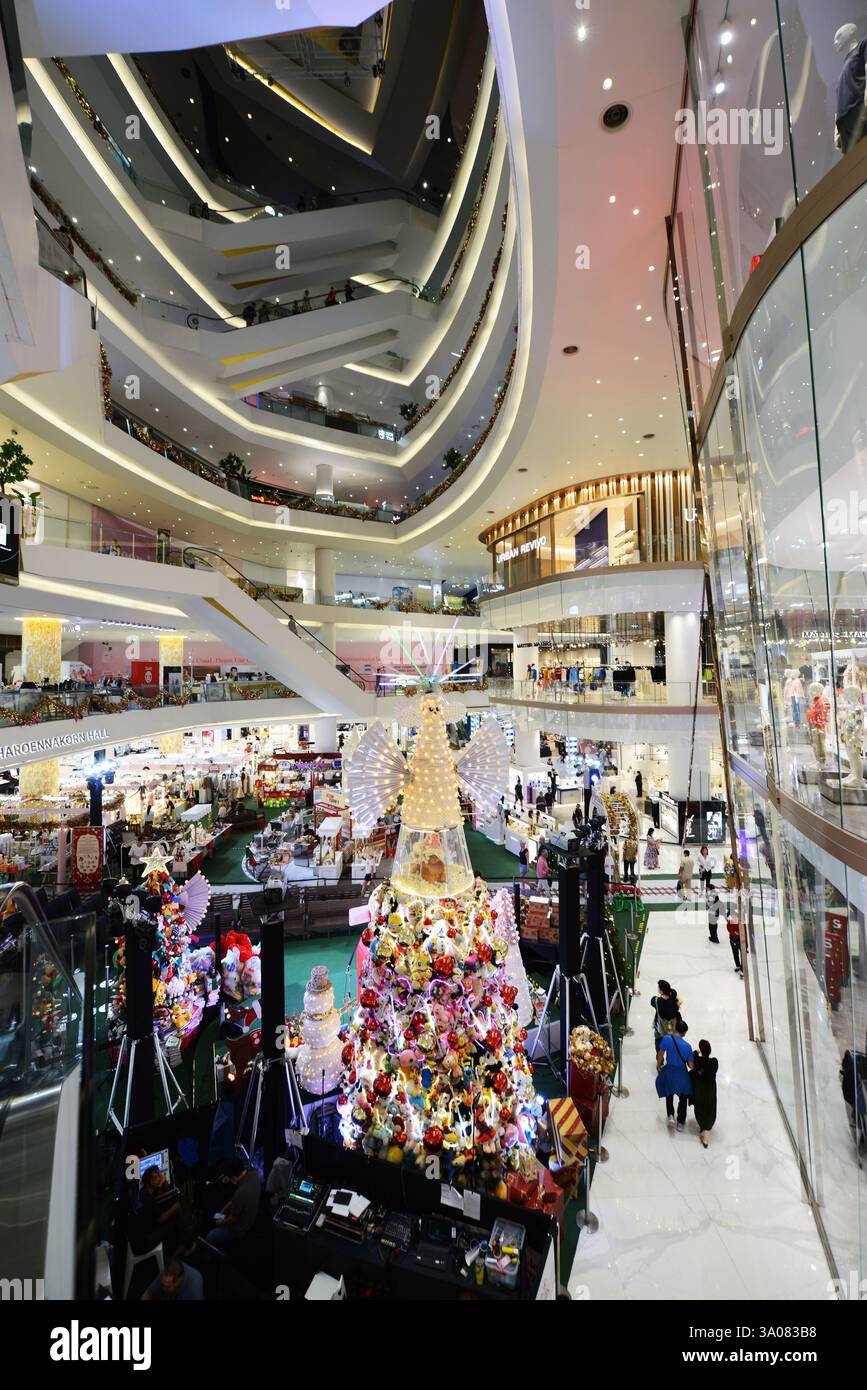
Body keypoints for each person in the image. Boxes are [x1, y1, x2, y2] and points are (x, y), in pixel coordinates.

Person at [205, 1156, 262, 1251]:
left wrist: (219, 1222)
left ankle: (219, 1252)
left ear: (234, 1177)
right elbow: (234, 1201)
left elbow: (232, 1219)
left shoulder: (241, 1193)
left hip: (240, 1228)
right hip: (249, 1211)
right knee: (216, 1215)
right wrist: (222, 1212)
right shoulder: (254, 1172)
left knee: (210, 1236)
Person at [656, 1019, 693, 1130]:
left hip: (669, 1071)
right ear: (684, 1032)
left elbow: (660, 1053)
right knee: (683, 1097)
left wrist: (658, 1064)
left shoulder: (667, 1039)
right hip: (681, 1073)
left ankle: (670, 1115)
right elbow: (690, 1066)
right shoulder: (687, 1046)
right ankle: (680, 1122)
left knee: (669, 1092)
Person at [691, 1039, 718, 1147]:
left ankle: (703, 1128)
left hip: (700, 1089)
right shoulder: (714, 1062)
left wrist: (696, 1053)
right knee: (710, 1108)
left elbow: (693, 1061)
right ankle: (706, 1135)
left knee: (700, 1107)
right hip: (710, 1089)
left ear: (701, 1050)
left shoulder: (697, 1060)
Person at [650, 979, 681, 1051]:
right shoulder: (673, 1000)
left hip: (660, 1029)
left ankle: (659, 1055)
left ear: (661, 991)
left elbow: (652, 1001)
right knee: (671, 1045)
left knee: (658, 1044)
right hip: (672, 1028)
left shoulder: (656, 1001)